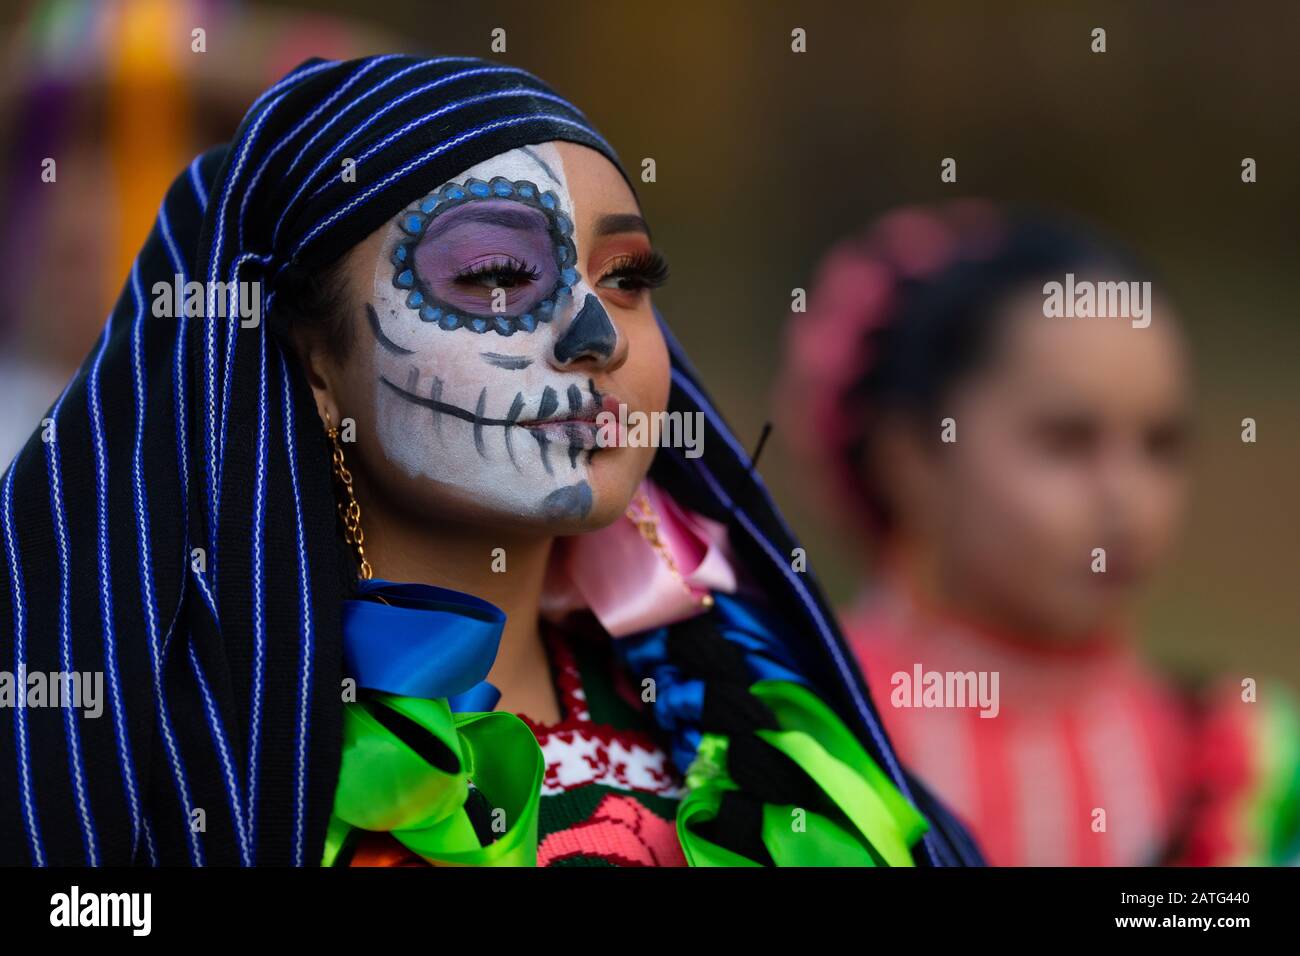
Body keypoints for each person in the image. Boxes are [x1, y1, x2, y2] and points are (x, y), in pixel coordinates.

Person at [0, 54, 982, 867]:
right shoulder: (151, 768)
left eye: (626, 275)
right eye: (499, 275)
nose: (595, 334)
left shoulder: (782, 736)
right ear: (312, 360)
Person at [776, 201, 1300, 866]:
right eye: (1066, 442)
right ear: (913, 457)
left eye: (1161, 445)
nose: (1127, 498)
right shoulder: (802, 734)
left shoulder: (1245, 763)